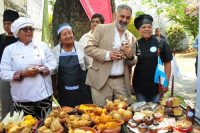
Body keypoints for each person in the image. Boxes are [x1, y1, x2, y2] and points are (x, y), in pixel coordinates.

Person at [0, 17, 57, 119]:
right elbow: (4, 73)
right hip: (22, 97)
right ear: (18, 32)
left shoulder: (42, 46)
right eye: (25, 29)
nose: (29, 32)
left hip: (43, 95)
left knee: (45, 125)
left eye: (31, 29)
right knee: (25, 127)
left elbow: (53, 63)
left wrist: (40, 69)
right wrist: (23, 74)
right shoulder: (9, 50)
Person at [84, 4, 137, 106]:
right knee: (101, 115)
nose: (124, 20)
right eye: (122, 16)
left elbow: (134, 61)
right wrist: (108, 55)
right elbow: (88, 48)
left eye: (128, 18)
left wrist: (130, 56)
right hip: (101, 81)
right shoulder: (100, 28)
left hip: (122, 82)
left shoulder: (131, 37)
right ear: (115, 15)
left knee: (123, 114)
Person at [133, 14, 172, 103]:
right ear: (138, 30)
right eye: (143, 27)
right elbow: (134, 63)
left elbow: (167, 63)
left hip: (157, 86)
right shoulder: (136, 44)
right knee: (142, 113)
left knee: (156, 113)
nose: (147, 29)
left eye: (149, 27)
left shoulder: (161, 42)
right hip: (139, 86)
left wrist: (165, 83)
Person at [52, 23, 92, 107]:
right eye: (64, 34)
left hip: (82, 88)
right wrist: (54, 89)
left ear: (73, 34)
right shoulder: (55, 51)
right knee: (66, 114)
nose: (68, 36)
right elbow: (53, 72)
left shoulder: (81, 47)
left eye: (70, 33)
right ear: (59, 38)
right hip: (64, 90)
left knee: (84, 113)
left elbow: (89, 66)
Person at [0, 9, 19, 120]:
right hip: (4, 77)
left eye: (9, 23)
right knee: (5, 102)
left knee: (17, 103)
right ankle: (4, 125)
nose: (7, 26)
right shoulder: (1, 38)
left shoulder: (20, 39)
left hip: (19, 75)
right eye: (5, 23)